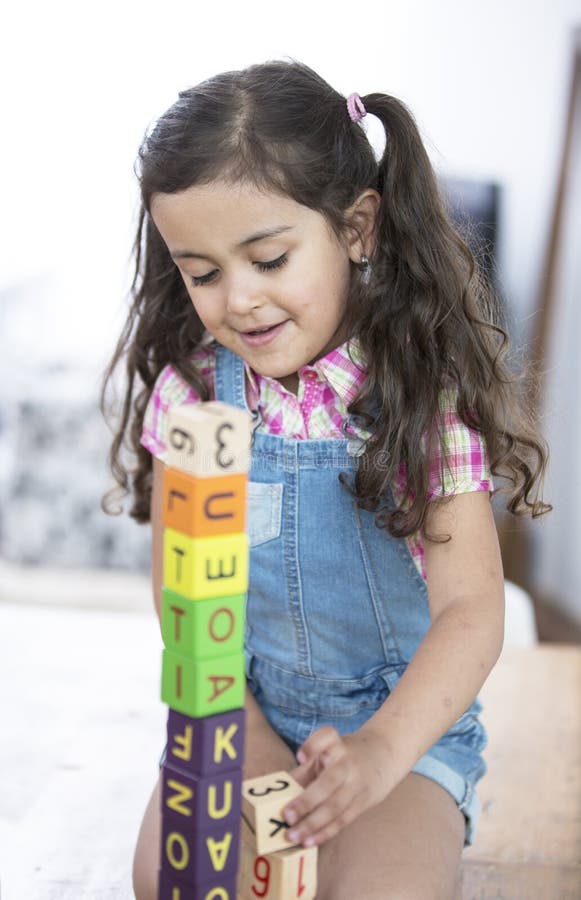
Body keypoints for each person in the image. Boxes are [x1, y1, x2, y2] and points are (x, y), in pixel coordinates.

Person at [101, 59, 549, 899]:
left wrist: (380, 754)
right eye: (201, 273)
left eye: (268, 259)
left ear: (356, 228)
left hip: (402, 736)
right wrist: (238, 724)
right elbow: (180, 587)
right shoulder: (194, 393)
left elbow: (470, 610)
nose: (237, 300)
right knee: (171, 882)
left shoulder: (420, 403)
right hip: (245, 710)